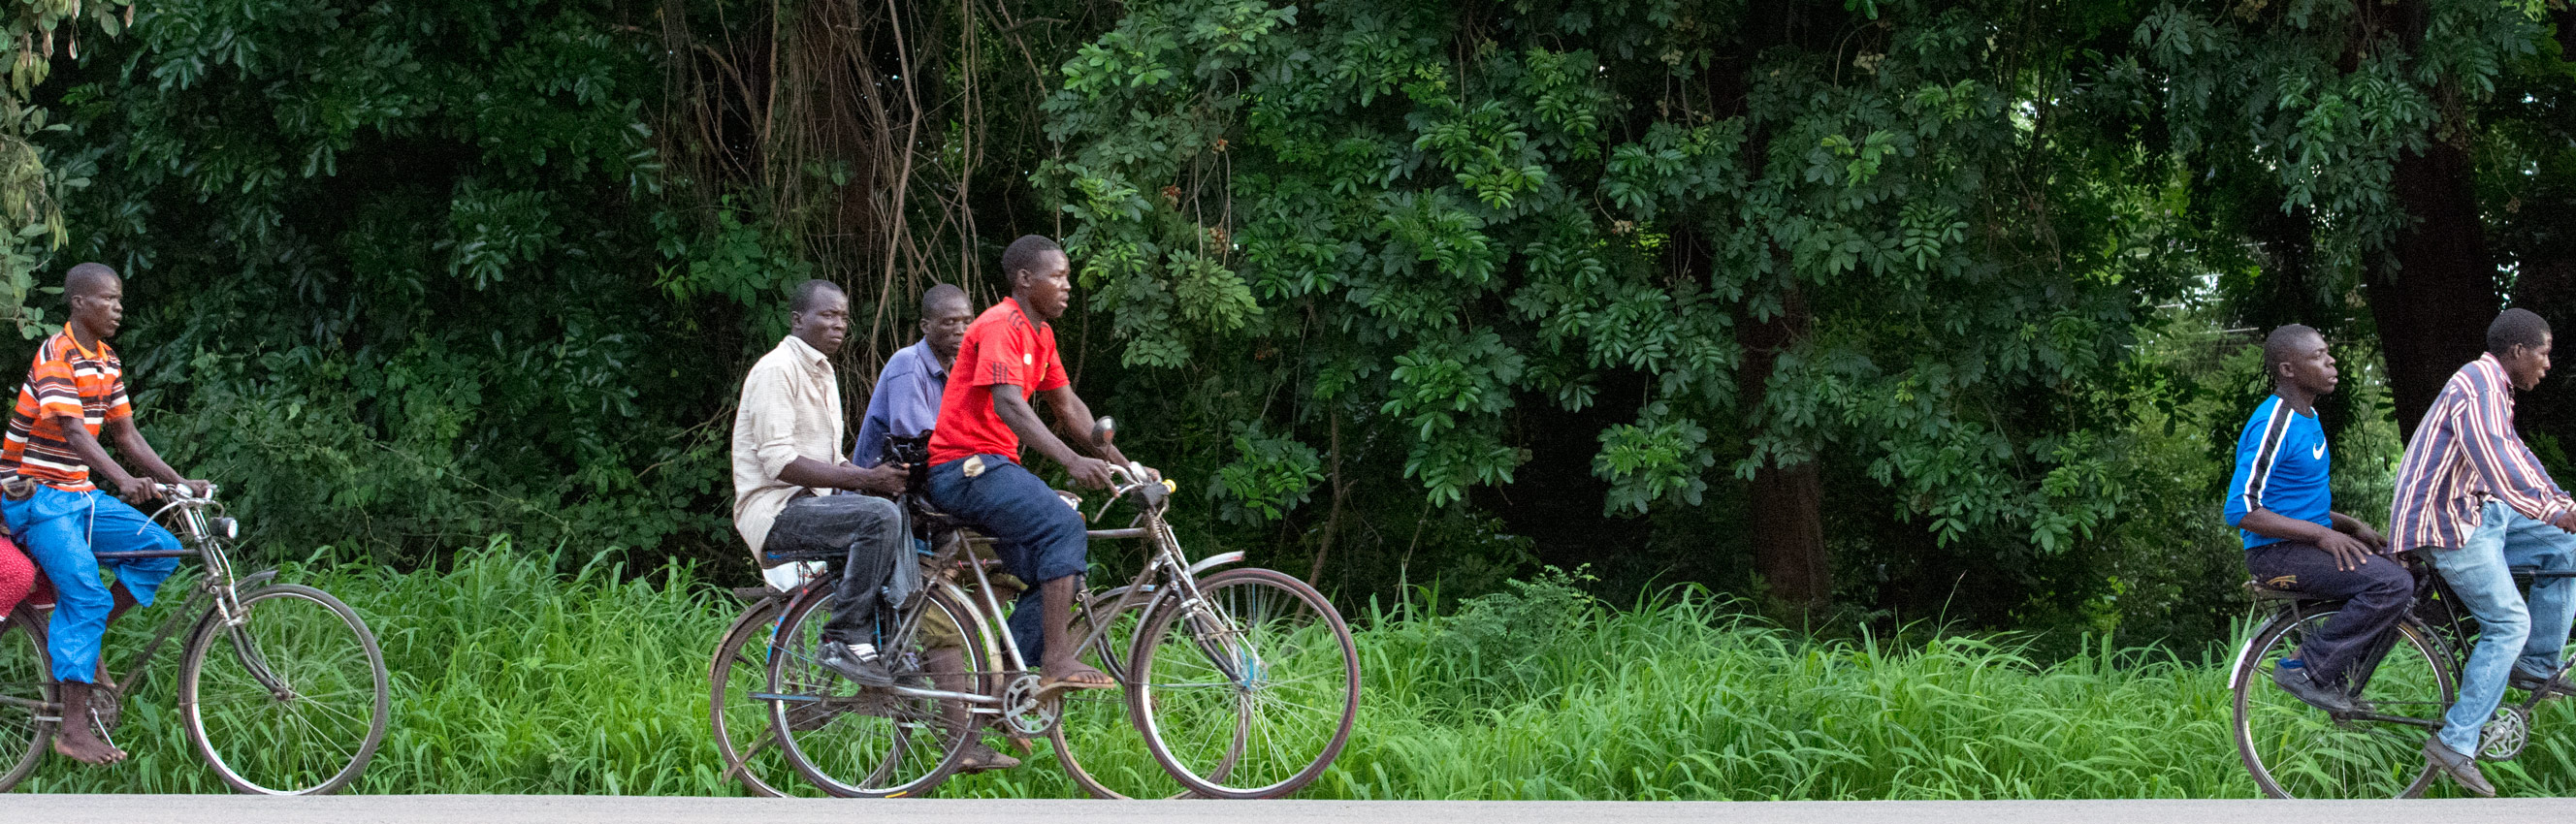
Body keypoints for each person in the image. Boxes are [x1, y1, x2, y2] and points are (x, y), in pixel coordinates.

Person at [0, 263, 207, 766]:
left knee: (157, 548)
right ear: (78, 303)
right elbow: (73, 433)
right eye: (108, 299)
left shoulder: (106, 360)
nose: (117, 308)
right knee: (87, 597)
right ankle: (71, 730)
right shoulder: (55, 354)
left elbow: (127, 436)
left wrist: (178, 482)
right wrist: (122, 480)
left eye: (118, 300)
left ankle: (79, 634)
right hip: (34, 497)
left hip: (76, 493)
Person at [925, 235, 1151, 693]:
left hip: (992, 468)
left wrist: (1129, 468)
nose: (1067, 286)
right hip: (964, 467)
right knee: (1063, 527)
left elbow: (1069, 410)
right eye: (1058, 276)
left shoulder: (1040, 336)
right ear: (1025, 280)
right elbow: (1009, 403)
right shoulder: (1000, 325)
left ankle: (1006, 681)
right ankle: (1055, 658)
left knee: (1062, 568)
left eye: (1067, 277)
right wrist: (1071, 460)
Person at [2388, 307, 2576, 797]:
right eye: (2544, 353)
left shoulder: (2493, 388)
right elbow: (2498, 462)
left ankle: (2536, 665)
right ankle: (2456, 741)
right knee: (2510, 622)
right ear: (2517, 351)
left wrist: (2563, 510)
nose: (2547, 364)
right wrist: (2555, 508)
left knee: (2566, 545)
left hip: (2478, 512)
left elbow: (2518, 455)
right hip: (2446, 523)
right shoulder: (2479, 387)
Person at [730, 279, 912, 687]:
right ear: (797, 320)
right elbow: (780, 462)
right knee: (878, 519)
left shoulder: (822, 372)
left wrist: (873, 478)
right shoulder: (777, 370)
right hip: (776, 509)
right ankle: (844, 635)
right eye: (827, 315)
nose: (839, 325)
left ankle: (882, 645)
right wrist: (864, 478)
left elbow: (830, 461)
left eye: (844, 317)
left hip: (810, 504)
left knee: (897, 511)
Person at [2225, 325, 2408, 717]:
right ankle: (2303, 668)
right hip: (2276, 556)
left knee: (2409, 569)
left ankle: (2341, 680)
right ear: (2288, 369)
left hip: (2303, 544)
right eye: (2317, 356)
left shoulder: (2308, 416)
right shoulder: (2273, 422)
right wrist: (2323, 535)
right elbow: (2241, 509)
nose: (2330, 361)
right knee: (2391, 584)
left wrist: (2349, 526)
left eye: (2328, 352)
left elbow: (2297, 502)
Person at [852, 283, 972, 469]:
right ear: (925, 326)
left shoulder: (957, 372)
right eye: (949, 322)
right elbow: (918, 440)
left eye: (967, 322)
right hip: (881, 486)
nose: (961, 330)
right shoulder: (907, 363)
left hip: (933, 472)